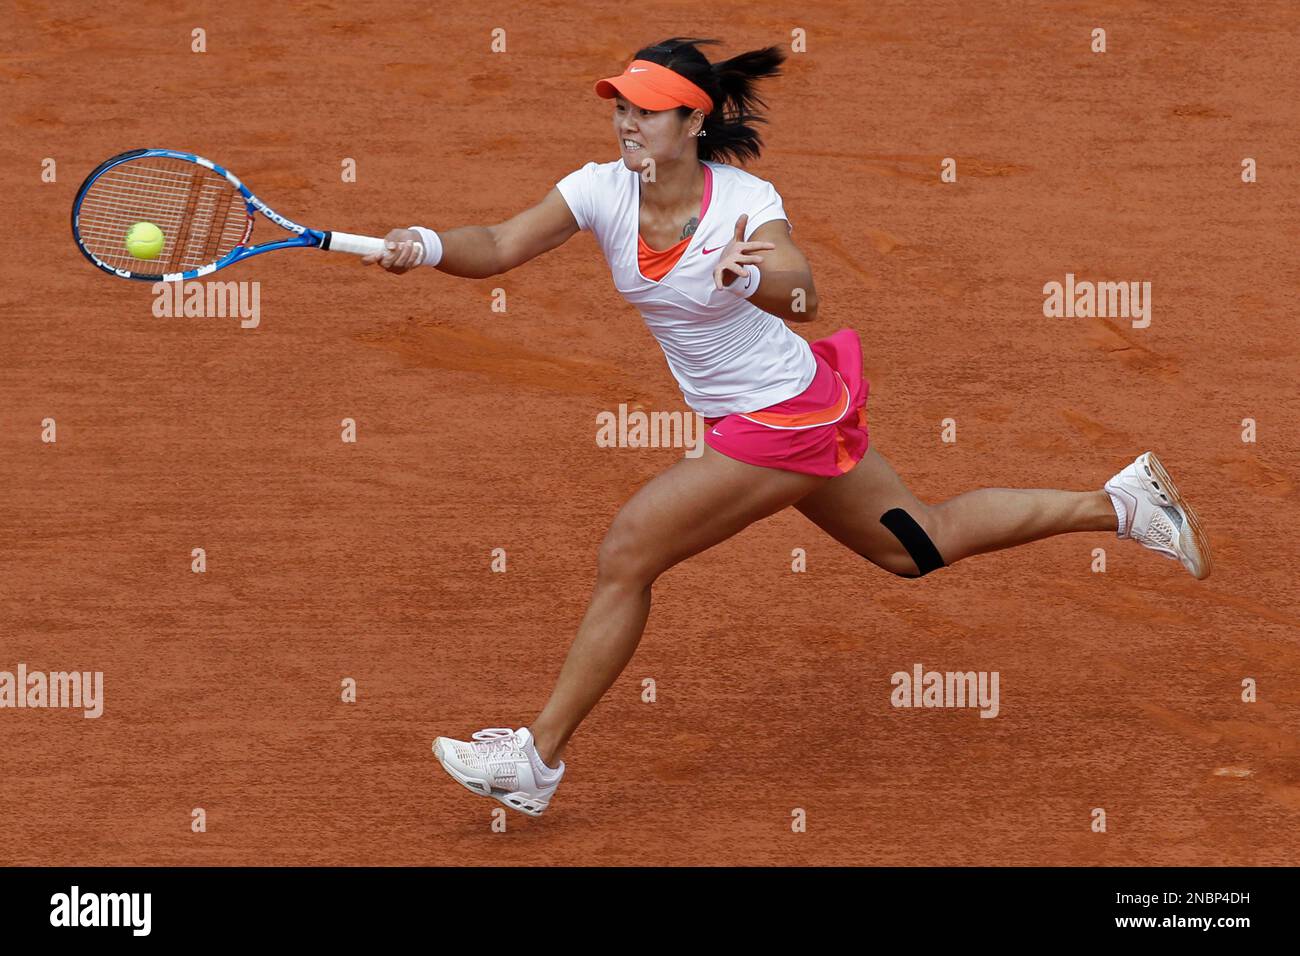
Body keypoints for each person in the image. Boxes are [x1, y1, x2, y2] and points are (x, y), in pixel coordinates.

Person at [363, 37, 1212, 817]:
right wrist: (427, 244)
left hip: (780, 414)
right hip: (793, 408)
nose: (627, 121)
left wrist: (752, 275)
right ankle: (1125, 504)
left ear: (693, 120)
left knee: (629, 549)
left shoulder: (743, 201)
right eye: (621, 105)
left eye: (646, 109)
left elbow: (804, 290)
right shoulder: (597, 190)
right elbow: (501, 242)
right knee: (916, 545)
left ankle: (535, 761)